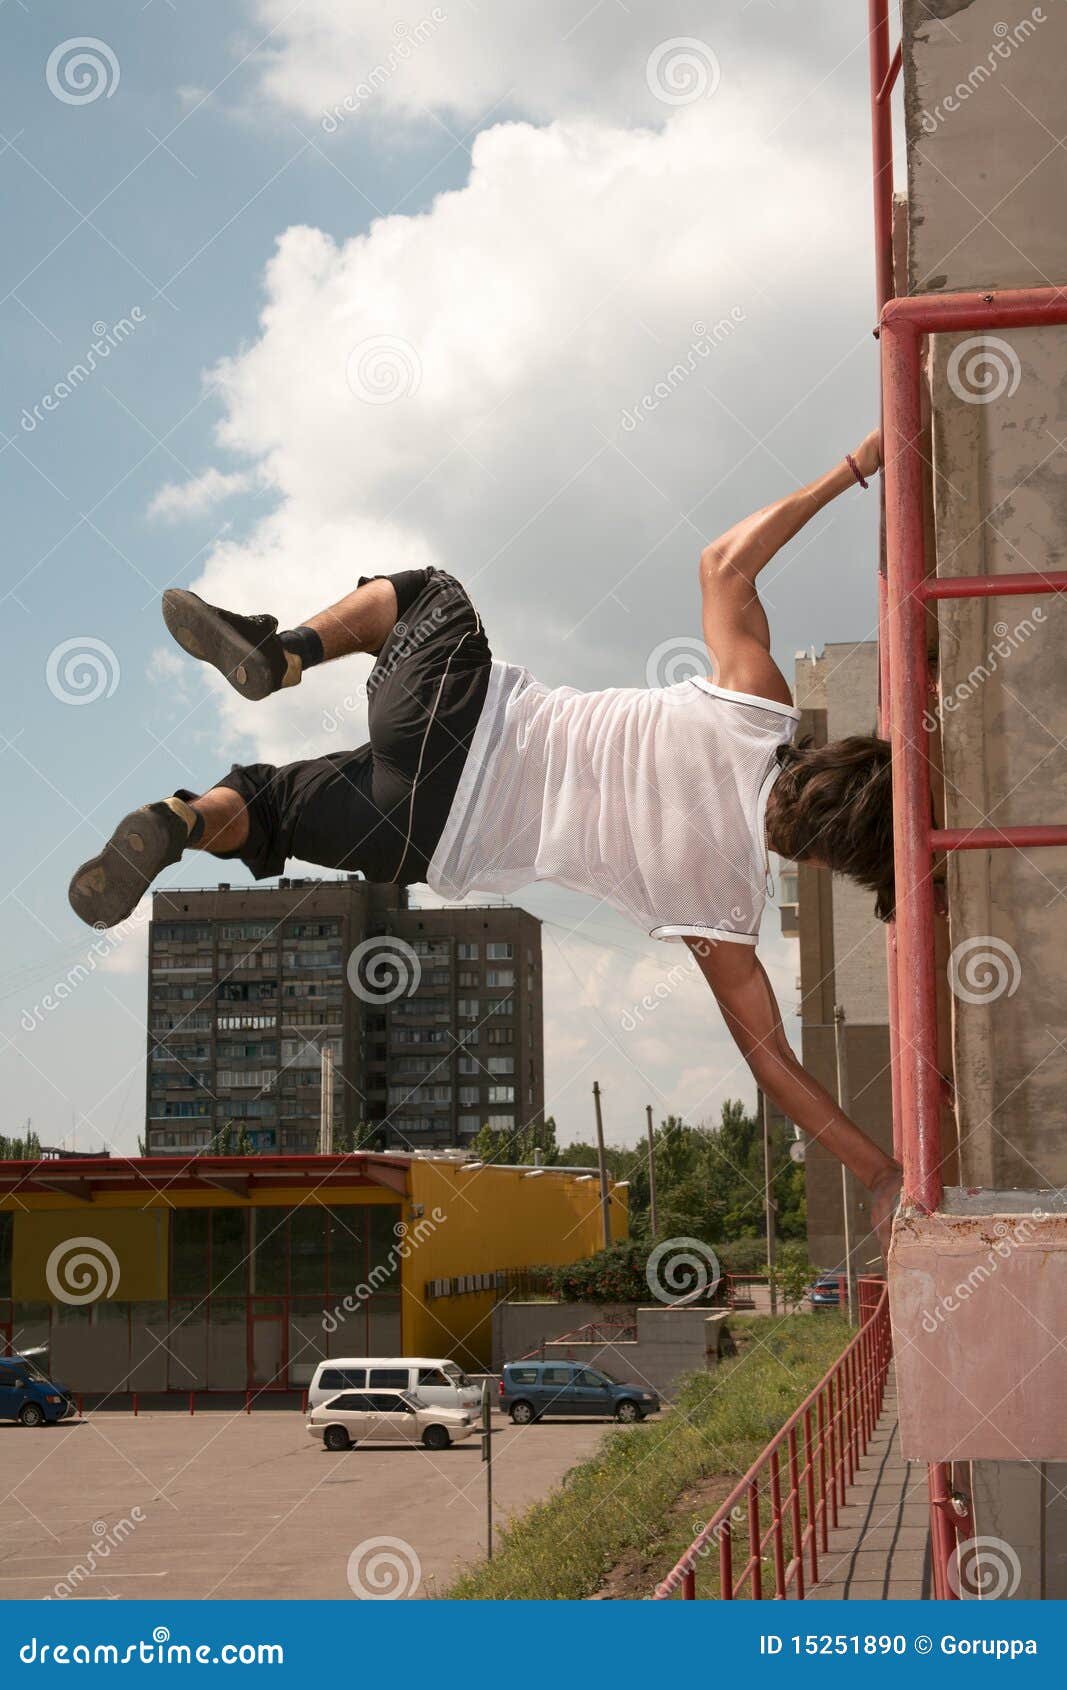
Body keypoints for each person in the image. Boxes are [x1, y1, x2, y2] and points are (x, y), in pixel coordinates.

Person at [69, 428, 901, 1242]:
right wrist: (878, 1174)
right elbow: (771, 1065)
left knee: (424, 593)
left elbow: (722, 564)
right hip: (428, 841)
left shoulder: (754, 707)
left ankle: (282, 655)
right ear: (820, 858)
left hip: (452, 721)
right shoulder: (720, 912)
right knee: (270, 806)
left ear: (835, 753)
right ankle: (181, 822)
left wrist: (855, 466)